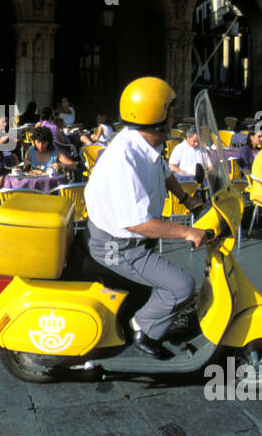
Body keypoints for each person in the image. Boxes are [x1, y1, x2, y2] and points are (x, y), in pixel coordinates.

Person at [84, 77, 210, 359]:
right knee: (181, 286)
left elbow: (165, 172)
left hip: (130, 240)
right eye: (171, 112)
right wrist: (187, 232)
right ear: (156, 115)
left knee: (168, 281)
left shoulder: (145, 143)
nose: (174, 117)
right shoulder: (124, 158)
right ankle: (144, 328)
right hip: (117, 246)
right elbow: (136, 223)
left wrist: (187, 200)